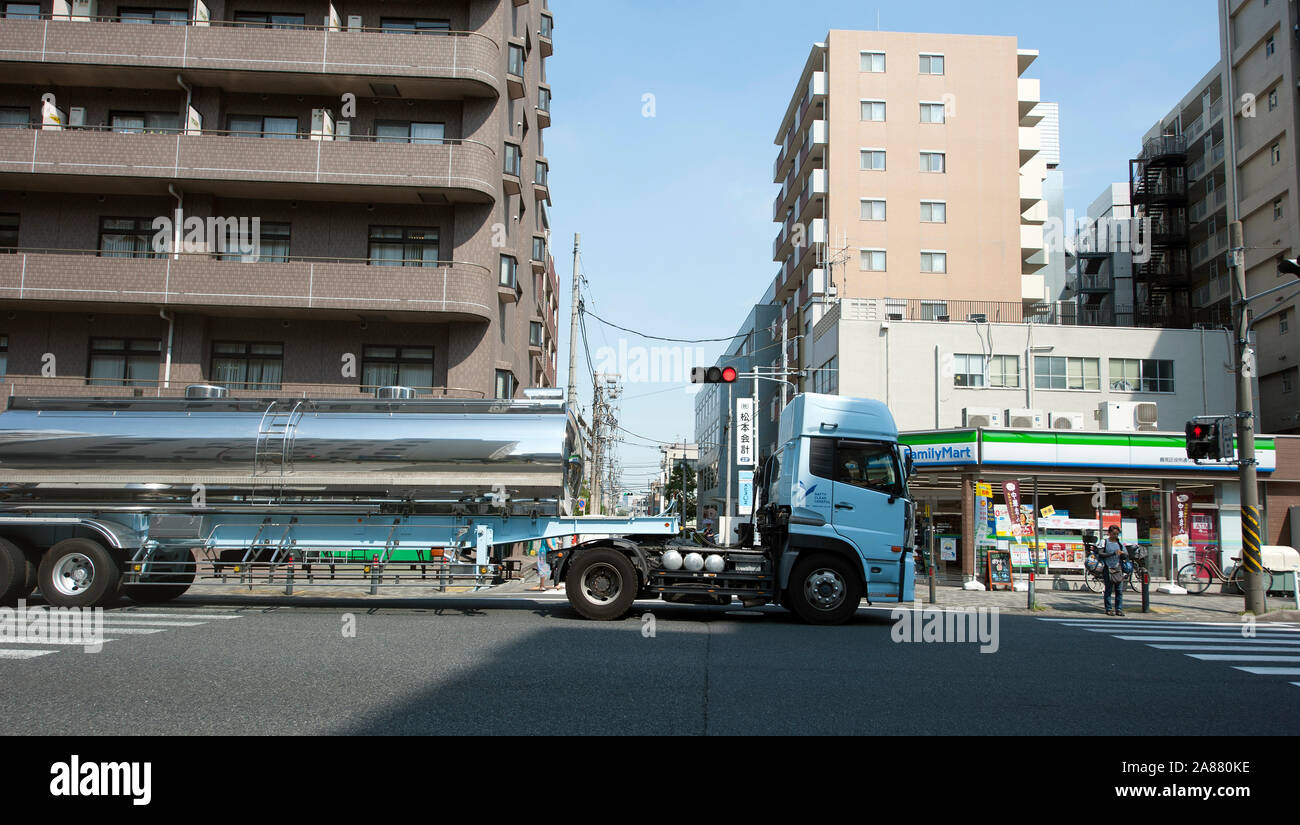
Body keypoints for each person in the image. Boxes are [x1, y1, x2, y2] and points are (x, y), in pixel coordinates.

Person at [1097, 525, 1128, 616]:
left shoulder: (1120, 544)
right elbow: (1100, 553)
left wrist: (1123, 554)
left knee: (1119, 590)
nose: (1115, 536)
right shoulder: (1104, 542)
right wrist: (1113, 553)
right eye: (1114, 533)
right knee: (1108, 589)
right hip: (1107, 568)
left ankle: (1119, 608)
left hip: (1118, 568)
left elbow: (1126, 555)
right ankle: (1108, 608)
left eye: (1117, 534)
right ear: (1109, 533)